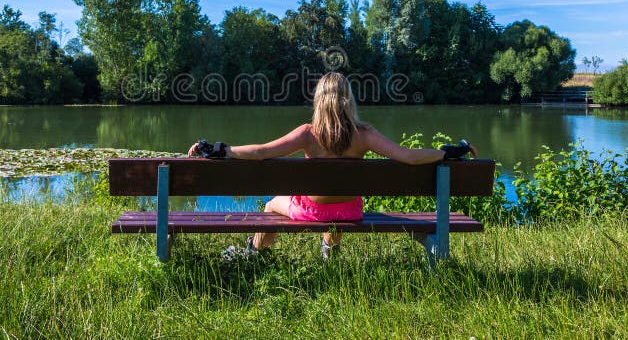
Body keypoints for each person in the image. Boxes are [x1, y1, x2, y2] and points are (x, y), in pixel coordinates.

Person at [187, 71, 477, 259]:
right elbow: (410, 157)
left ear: (319, 101)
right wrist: (447, 153)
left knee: (272, 204)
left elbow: (261, 152)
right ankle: (329, 252)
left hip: (310, 212)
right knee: (338, 199)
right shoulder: (364, 135)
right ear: (348, 100)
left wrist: (221, 149)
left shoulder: (308, 134)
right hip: (350, 211)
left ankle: (253, 251)